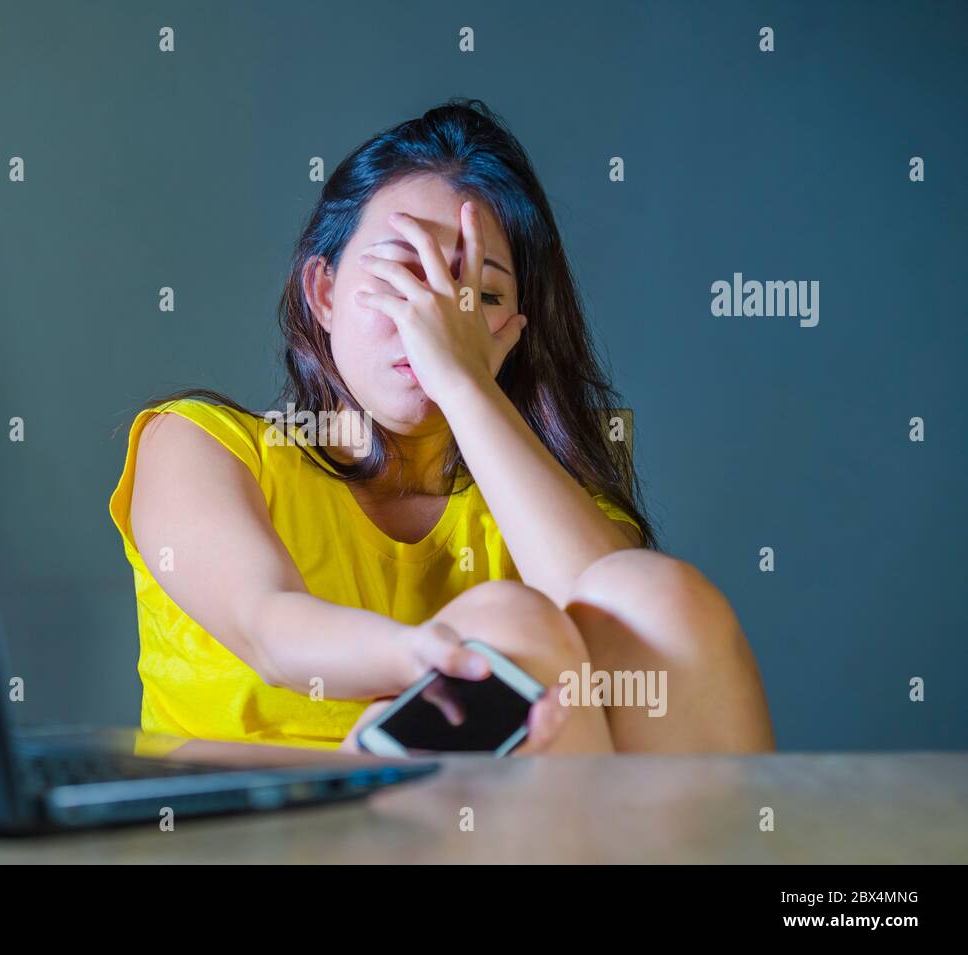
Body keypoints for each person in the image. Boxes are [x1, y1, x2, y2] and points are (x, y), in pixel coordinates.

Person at [110, 98, 774, 755]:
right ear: (324, 292)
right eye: (404, 272)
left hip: (500, 838)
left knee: (657, 596)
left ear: (513, 329)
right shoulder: (200, 443)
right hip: (260, 829)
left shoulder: (542, 486)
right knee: (510, 622)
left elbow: (634, 644)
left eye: (482, 296)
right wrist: (418, 654)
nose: (436, 318)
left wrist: (462, 383)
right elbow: (268, 629)